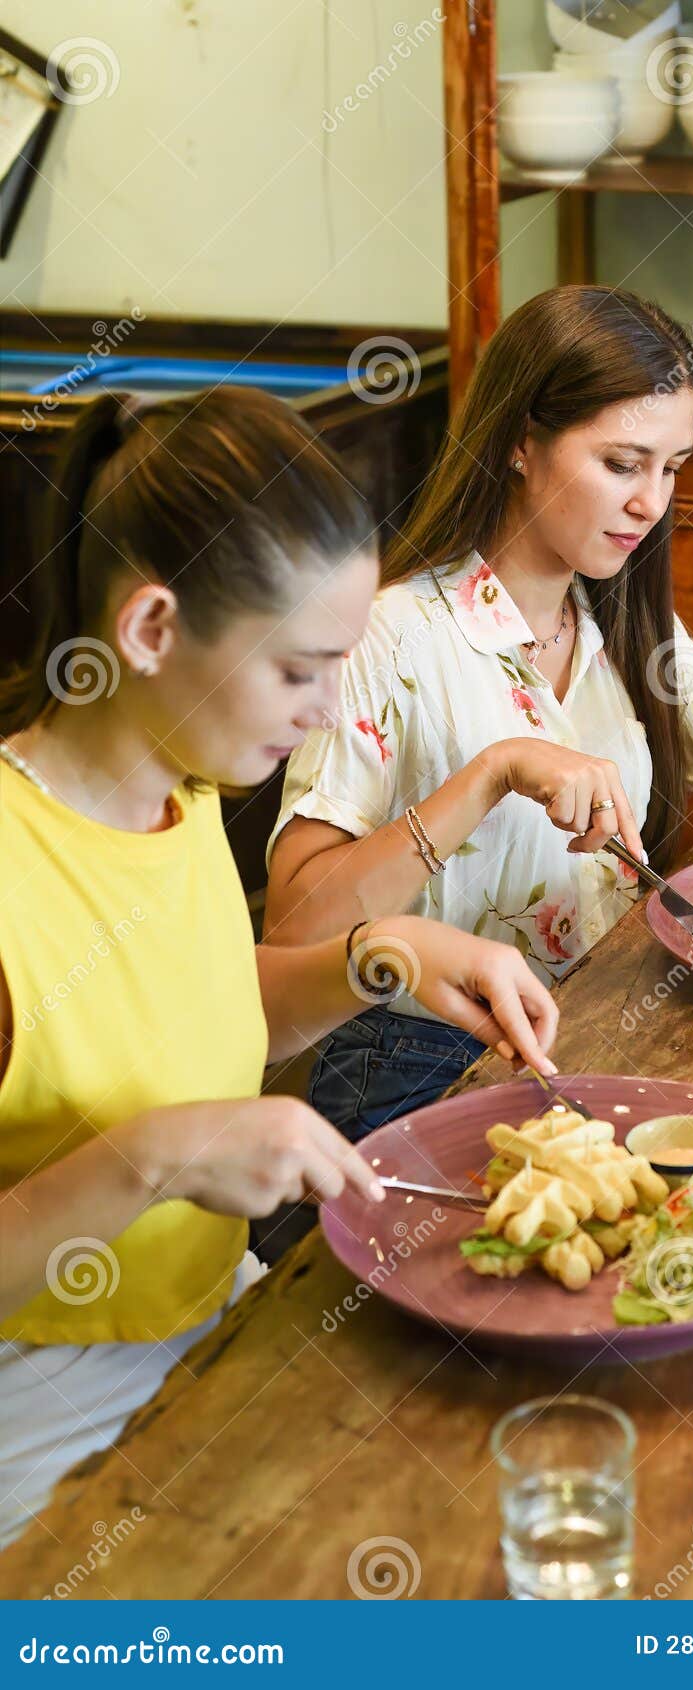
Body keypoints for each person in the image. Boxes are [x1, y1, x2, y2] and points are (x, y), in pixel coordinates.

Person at [0, 387, 557, 1548]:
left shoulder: (179, 788)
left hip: (210, 1319)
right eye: (299, 672)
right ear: (152, 630)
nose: (317, 722)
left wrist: (380, 960)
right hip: (41, 1396)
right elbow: (146, 1115)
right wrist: (155, 1160)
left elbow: (189, 1004)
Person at [265, 286, 693, 1145]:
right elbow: (293, 926)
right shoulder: (384, 636)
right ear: (518, 443)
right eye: (622, 464)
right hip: (419, 1065)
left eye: (672, 467)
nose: (652, 502)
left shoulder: (615, 615)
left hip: (601, 1030)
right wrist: (493, 772)